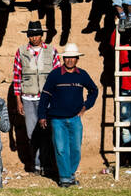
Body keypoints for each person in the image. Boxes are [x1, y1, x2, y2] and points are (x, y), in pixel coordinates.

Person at [37, 44, 99, 187]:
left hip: (75, 118)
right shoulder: (55, 75)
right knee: (61, 148)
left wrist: (85, 106)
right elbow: (45, 96)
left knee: (75, 148)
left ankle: (70, 175)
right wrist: (42, 115)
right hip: (57, 119)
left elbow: (93, 90)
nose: (70, 60)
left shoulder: (82, 75)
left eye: (73, 57)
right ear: (63, 58)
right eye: (67, 57)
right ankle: (64, 178)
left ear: (77, 59)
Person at [13, 23, 61, 175]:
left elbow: (57, 76)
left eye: (36, 34)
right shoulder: (21, 52)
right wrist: (18, 101)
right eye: (31, 35)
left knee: (46, 131)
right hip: (28, 98)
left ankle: (46, 164)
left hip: (46, 98)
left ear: (42, 35)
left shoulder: (52, 51)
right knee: (31, 134)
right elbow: (17, 78)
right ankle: (37, 163)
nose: (34, 38)